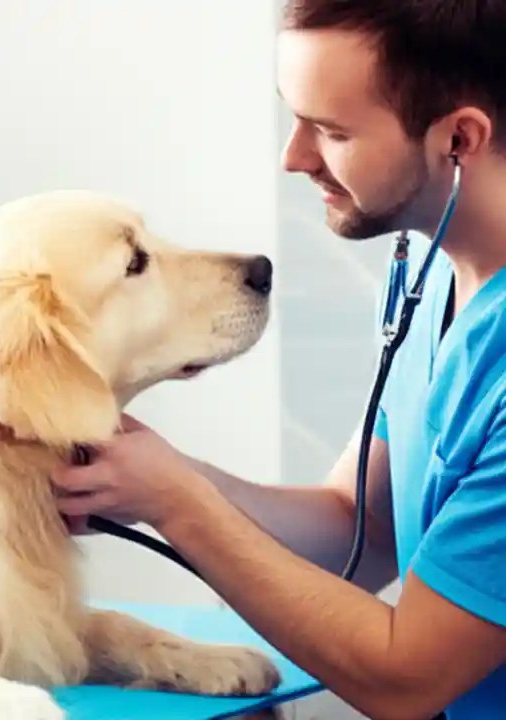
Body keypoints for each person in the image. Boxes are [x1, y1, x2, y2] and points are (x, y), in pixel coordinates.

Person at [51, 1, 506, 718]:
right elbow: (360, 528)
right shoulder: (432, 268)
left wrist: (177, 502)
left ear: (459, 138)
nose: (293, 157)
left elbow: (408, 678)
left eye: (331, 130)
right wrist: (148, 476)